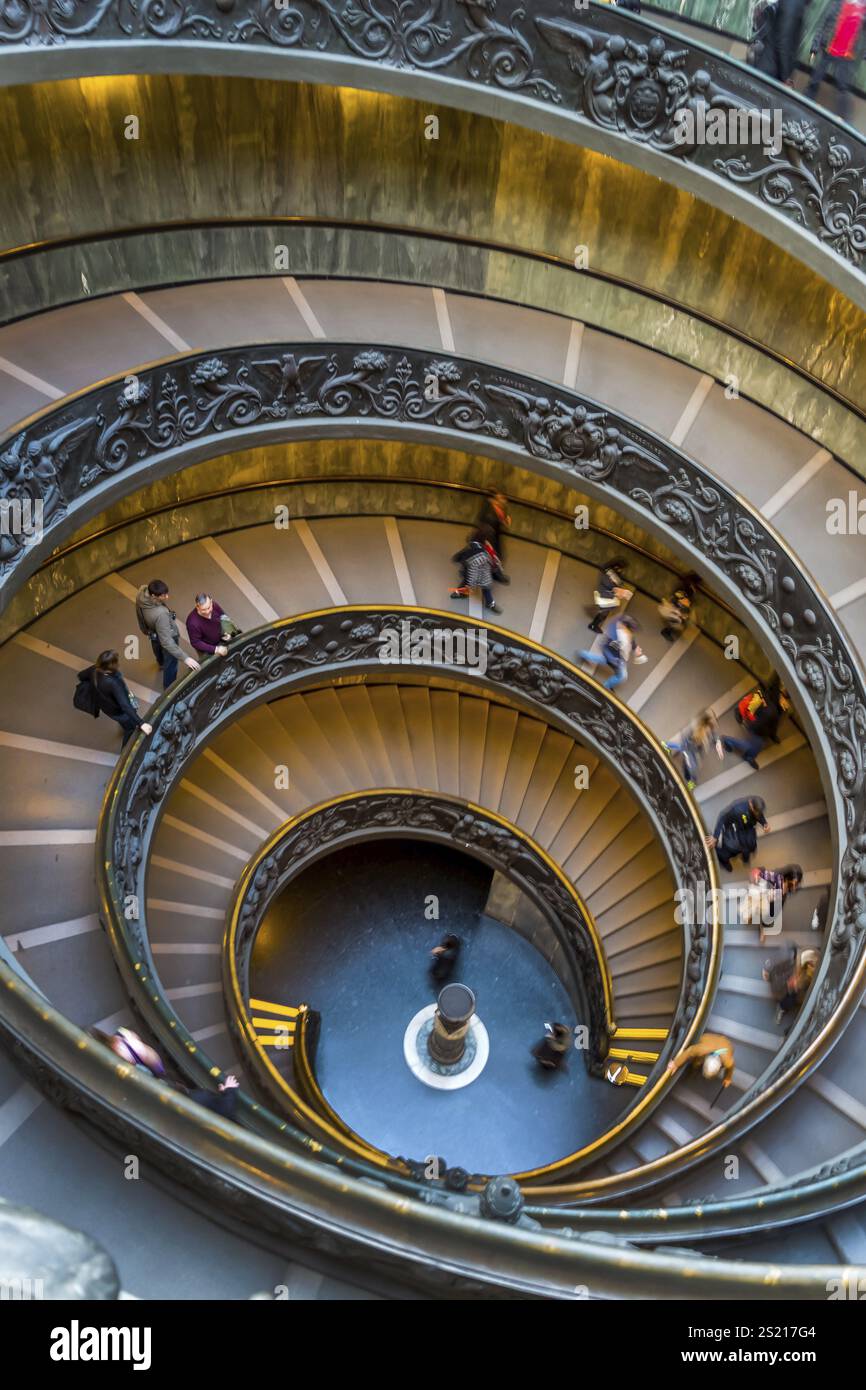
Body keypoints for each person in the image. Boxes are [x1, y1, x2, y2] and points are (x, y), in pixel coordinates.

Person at [75, 651, 153, 746]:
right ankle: (125, 750)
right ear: (111, 665)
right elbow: (125, 706)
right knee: (130, 728)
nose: (119, 664)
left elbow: (81, 676)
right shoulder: (112, 684)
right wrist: (141, 723)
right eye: (116, 662)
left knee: (124, 722)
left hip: (106, 708)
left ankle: (124, 724)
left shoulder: (95, 669)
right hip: (118, 711)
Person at [806, 0, 866, 121]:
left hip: (846, 56)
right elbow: (825, 22)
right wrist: (815, 46)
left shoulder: (864, 8)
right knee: (814, 82)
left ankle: (844, 125)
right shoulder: (838, 2)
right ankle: (802, 109)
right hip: (829, 48)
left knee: (842, 90)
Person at [136, 579, 200, 688]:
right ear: (153, 596)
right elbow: (167, 642)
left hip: (152, 632)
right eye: (163, 596)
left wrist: (145, 630)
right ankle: (169, 687)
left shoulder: (141, 593)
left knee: (157, 648)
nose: (167, 597)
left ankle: (160, 663)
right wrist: (185, 658)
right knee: (171, 664)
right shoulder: (161, 615)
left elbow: (139, 614)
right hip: (166, 633)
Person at [722, 675, 789, 770]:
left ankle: (749, 756)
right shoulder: (773, 710)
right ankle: (727, 740)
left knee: (757, 746)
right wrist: (766, 733)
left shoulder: (774, 701)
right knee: (751, 745)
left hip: (760, 722)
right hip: (758, 727)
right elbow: (770, 723)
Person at [577, 615, 648, 691]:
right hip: (614, 657)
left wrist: (635, 648)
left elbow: (631, 641)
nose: (632, 633)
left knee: (601, 659)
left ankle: (583, 654)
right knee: (622, 676)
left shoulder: (626, 632)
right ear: (625, 627)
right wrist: (618, 662)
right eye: (631, 631)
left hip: (617, 657)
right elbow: (609, 650)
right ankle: (605, 688)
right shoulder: (615, 638)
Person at [740, 863, 803, 942]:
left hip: (776, 903)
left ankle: (763, 928)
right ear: (786, 877)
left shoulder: (791, 888)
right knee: (754, 909)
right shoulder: (775, 876)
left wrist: (780, 894)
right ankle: (750, 917)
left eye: (796, 884)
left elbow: (786, 893)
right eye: (791, 884)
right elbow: (759, 872)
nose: (794, 888)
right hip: (762, 898)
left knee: (769, 918)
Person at [664, 709, 724, 790]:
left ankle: (691, 779)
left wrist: (717, 742)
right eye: (712, 720)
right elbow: (684, 741)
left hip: (696, 750)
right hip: (688, 748)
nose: (714, 722)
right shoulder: (692, 728)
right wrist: (687, 754)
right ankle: (666, 745)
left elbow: (714, 735)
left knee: (692, 766)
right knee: (692, 766)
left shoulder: (709, 727)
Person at [753, 0, 813, 81]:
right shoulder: (793, 3)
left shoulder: (796, 4)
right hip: (772, 69)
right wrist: (786, 77)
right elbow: (783, 42)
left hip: (772, 67)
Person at [707, 796, 769, 872]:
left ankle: (745, 856)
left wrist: (764, 823)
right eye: (756, 812)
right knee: (731, 849)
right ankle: (723, 859)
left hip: (747, 829)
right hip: (733, 829)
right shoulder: (737, 809)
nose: (757, 814)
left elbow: (759, 815)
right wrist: (715, 836)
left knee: (750, 845)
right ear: (750, 804)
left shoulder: (756, 809)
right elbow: (722, 816)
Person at [450, 525, 503, 614]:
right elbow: (473, 568)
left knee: (470, 584)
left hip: (480, 570)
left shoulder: (475, 545)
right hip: (478, 571)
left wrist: (457, 558)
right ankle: (489, 604)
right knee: (484, 588)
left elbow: (464, 553)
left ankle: (461, 593)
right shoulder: (479, 549)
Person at [763, 947, 818, 1025]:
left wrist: (797, 983)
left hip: (795, 988)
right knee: (786, 1002)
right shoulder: (782, 968)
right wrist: (788, 984)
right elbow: (777, 989)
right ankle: (782, 1008)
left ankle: (785, 1007)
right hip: (785, 990)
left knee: (792, 1000)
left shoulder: (798, 961)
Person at [89, 1026, 166, 1078]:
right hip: (147, 1057)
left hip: (148, 1059)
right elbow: (135, 1036)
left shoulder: (120, 1048)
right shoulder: (122, 1035)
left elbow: (130, 1062)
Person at [667, 1031, 735, 1087]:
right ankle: (693, 1068)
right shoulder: (701, 1049)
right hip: (708, 1039)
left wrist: (727, 1078)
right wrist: (675, 1064)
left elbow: (731, 1066)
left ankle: (695, 1068)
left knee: (698, 1062)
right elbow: (689, 1051)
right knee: (696, 1062)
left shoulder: (727, 1060)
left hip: (724, 1042)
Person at [186, 593, 241, 659]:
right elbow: (196, 642)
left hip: (220, 639)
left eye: (209, 608)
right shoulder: (192, 622)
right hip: (207, 649)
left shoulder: (215, 606)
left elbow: (223, 617)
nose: (207, 612)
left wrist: (227, 632)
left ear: (211, 602)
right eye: (203, 609)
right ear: (197, 607)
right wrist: (215, 649)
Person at [587, 559, 632, 634]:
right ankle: (593, 625)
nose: (621, 570)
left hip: (607, 593)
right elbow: (609, 587)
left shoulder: (611, 571)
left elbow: (617, 582)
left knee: (606, 609)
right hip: (605, 594)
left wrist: (619, 589)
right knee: (605, 610)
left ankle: (597, 615)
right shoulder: (607, 575)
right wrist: (618, 592)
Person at [478, 491, 511, 570]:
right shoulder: (489, 507)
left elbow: (503, 525)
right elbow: (486, 520)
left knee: (496, 555)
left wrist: (505, 522)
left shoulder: (500, 510)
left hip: (494, 536)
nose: (504, 502)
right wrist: (502, 521)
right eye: (501, 499)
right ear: (496, 500)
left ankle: (493, 569)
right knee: (487, 555)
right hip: (487, 535)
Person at [658, 576, 697, 642]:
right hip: (670, 609)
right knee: (678, 621)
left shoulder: (688, 592)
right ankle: (667, 631)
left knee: (683, 621)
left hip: (675, 610)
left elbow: (687, 606)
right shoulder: (682, 590)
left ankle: (669, 629)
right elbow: (675, 601)